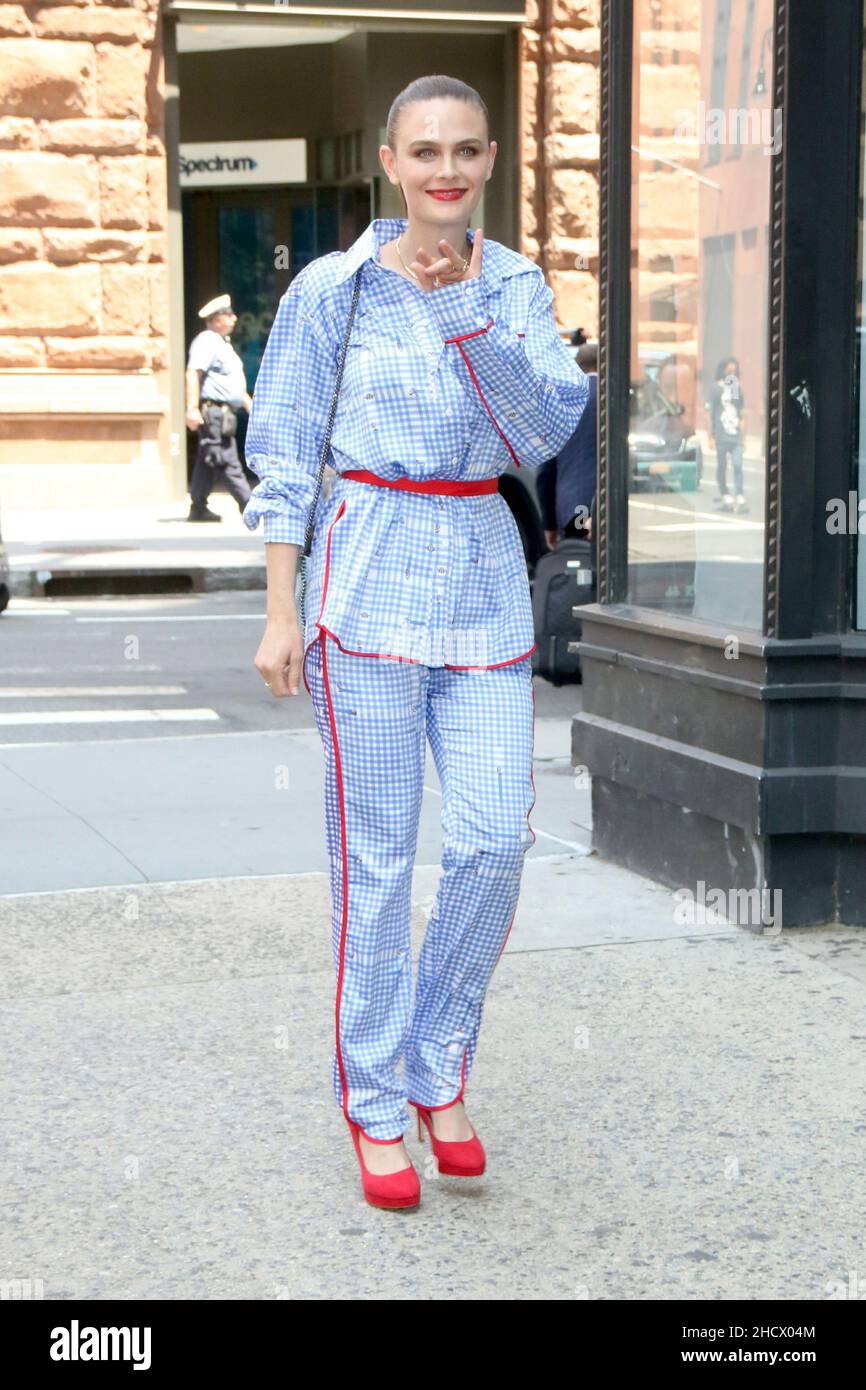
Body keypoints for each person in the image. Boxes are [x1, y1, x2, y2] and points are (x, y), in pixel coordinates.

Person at [242, 74, 589, 1211]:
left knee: (494, 840)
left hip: (483, 576)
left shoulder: (518, 287)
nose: (445, 170)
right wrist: (280, 607)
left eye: (465, 150)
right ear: (389, 162)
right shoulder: (329, 290)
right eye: (423, 150)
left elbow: (536, 428)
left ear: (490, 162)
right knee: (378, 863)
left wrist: (459, 314)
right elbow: (287, 450)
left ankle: (437, 1065)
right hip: (367, 571)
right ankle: (378, 1103)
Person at [185, 294, 253, 522]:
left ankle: (198, 506)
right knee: (225, 457)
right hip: (214, 411)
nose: (234, 318)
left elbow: (232, 385)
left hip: (223, 412)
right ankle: (248, 504)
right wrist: (192, 408)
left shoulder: (223, 344)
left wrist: (251, 408)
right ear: (216, 320)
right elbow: (193, 372)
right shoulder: (207, 340)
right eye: (228, 314)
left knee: (208, 458)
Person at [537, 341, 598, 549]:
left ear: (576, 367)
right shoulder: (615, 397)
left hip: (574, 506)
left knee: (577, 568)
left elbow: (546, 472)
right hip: (610, 506)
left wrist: (549, 525)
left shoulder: (565, 400)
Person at [709, 356, 748, 514]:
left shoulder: (736, 389)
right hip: (720, 435)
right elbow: (709, 413)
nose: (732, 373)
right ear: (723, 371)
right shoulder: (716, 389)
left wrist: (743, 436)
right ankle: (725, 493)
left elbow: (742, 413)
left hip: (735, 435)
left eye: (734, 371)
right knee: (722, 465)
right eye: (729, 371)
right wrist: (710, 436)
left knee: (738, 464)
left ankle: (739, 494)